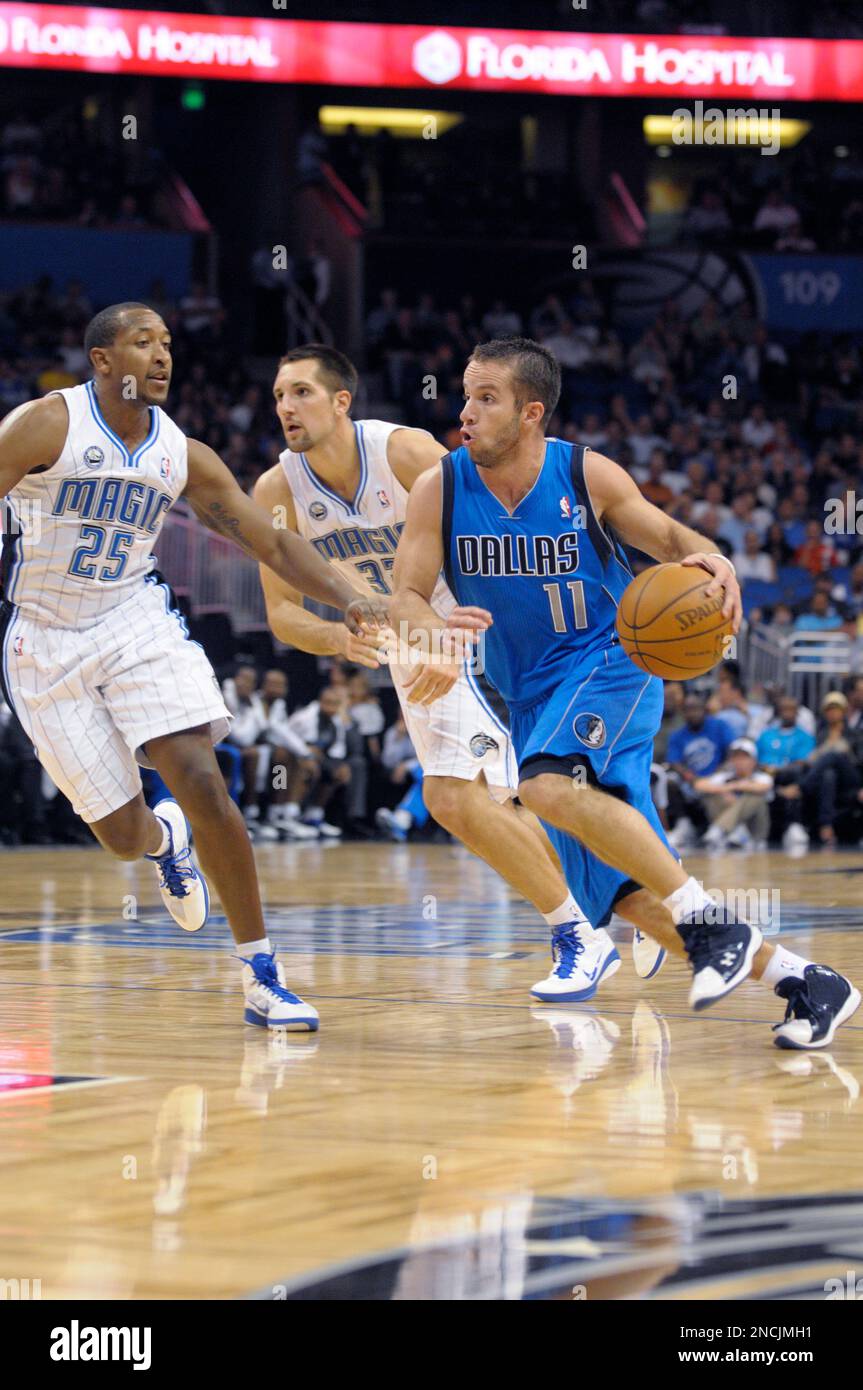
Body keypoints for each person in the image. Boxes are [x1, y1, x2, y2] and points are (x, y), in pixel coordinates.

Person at [392, 336, 859, 1048]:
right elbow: (404, 595)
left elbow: (672, 538)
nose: (464, 412)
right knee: (626, 895)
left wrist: (716, 560)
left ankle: (713, 926)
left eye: (485, 398)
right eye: (464, 395)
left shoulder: (584, 473)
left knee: (544, 785)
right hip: (529, 694)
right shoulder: (442, 487)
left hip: (611, 656)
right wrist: (430, 632)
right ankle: (804, 982)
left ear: (530, 413)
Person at [0, 302, 386, 1032]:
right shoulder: (45, 425)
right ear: (104, 361)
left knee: (203, 778)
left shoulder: (183, 454)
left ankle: (262, 974)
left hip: (133, 619)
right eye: (142, 342)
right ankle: (162, 840)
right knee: (120, 837)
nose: (162, 354)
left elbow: (272, 545)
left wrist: (351, 597)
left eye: (168, 343)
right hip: (44, 640)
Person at [251, 343, 665, 994]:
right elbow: (279, 612)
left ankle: (596, 920)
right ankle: (619, 893)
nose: (285, 407)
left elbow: (489, 519)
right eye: (278, 395)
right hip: (411, 640)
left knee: (494, 790)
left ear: (340, 402)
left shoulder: (404, 453)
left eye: (300, 392)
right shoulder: (276, 491)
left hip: (474, 620)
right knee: (478, 798)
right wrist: (335, 638)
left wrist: (446, 643)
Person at [694, 738, 773, 852]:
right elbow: (699, 785)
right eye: (736, 757)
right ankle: (734, 831)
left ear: (754, 760)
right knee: (712, 795)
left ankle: (719, 829)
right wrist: (724, 790)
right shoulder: (725, 776)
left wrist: (735, 787)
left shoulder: (761, 777)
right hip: (730, 827)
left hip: (755, 829)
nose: (740, 761)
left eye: (744, 757)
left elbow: (763, 787)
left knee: (755, 797)